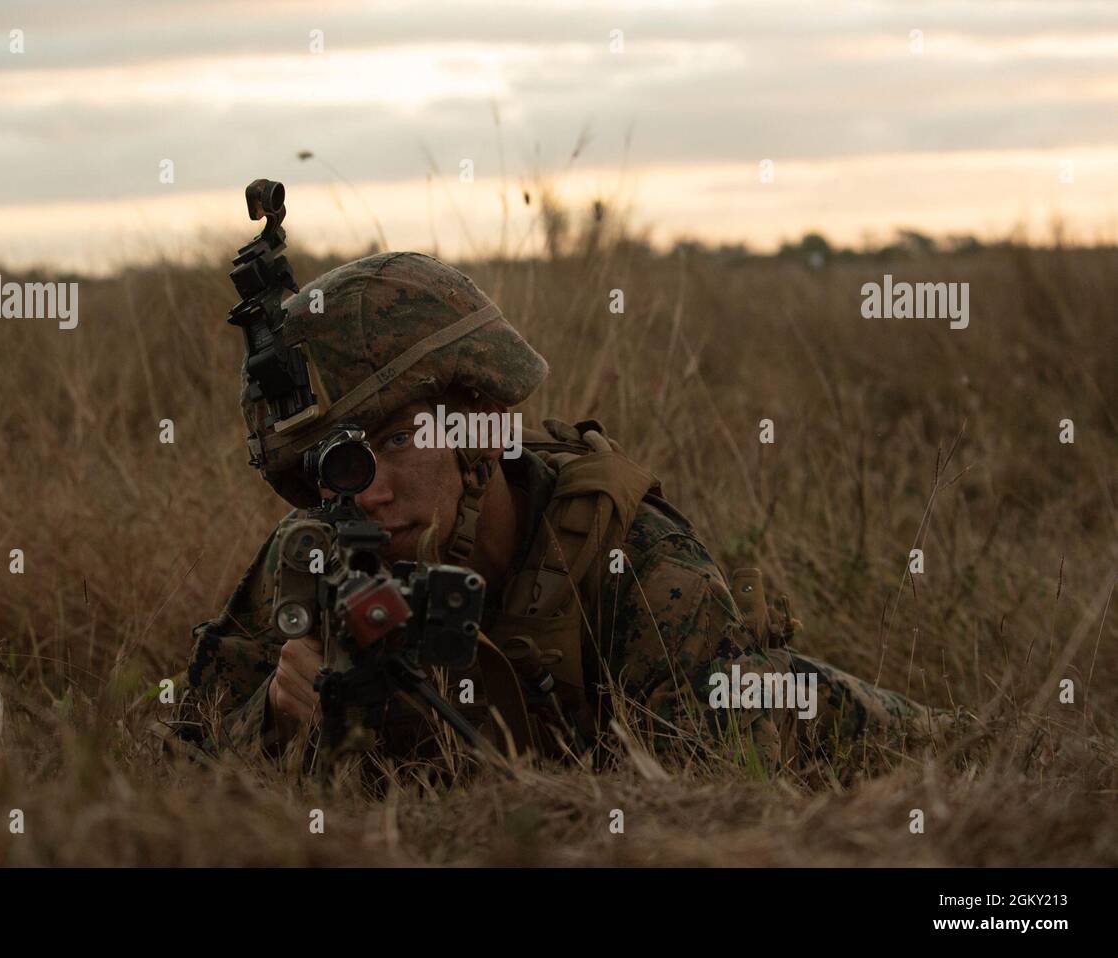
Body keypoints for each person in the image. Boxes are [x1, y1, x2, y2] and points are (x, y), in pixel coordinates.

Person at [176, 251, 957, 774]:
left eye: (398, 439)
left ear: (477, 420)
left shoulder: (635, 567)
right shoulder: (317, 558)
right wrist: (276, 720)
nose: (368, 492)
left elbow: (716, 805)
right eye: (336, 467)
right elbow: (184, 765)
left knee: (933, 746)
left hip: (811, 723)